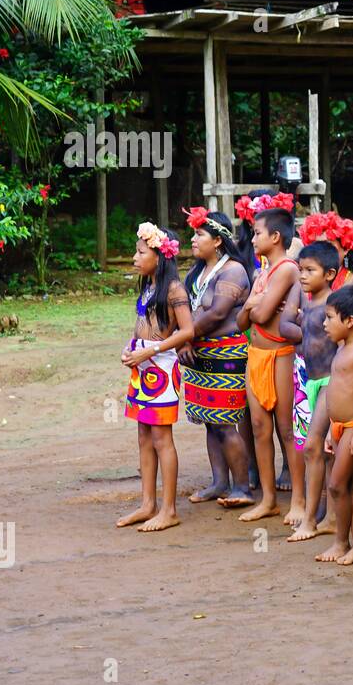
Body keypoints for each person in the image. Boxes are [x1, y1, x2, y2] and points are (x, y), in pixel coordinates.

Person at [119, 223, 194, 532]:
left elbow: (188, 331)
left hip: (160, 368)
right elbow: (143, 325)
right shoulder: (148, 285)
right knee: (144, 436)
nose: (135, 257)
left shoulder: (174, 288)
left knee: (162, 438)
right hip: (142, 367)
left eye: (141, 252)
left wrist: (150, 351)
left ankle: (169, 509)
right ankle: (148, 503)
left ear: (160, 256)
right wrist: (131, 346)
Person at [179, 208, 253, 509]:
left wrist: (184, 337)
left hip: (227, 354)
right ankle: (219, 482)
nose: (193, 240)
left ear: (218, 240)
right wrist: (184, 339)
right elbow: (183, 310)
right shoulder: (196, 272)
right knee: (210, 422)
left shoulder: (233, 270)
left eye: (199, 235)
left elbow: (219, 312)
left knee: (224, 423)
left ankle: (242, 487)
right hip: (198, 354)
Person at [236, 206, 303, 523]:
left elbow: (259, 316)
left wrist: (254, 306)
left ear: (275, 237)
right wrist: (253, 304)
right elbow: (241, 322)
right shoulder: (261, 272)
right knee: (260, 427)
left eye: (257, 232)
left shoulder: (288, 269)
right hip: (256, 354)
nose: (252, 238)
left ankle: (300, 501)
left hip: (280, 355)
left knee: (286, 429)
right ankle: (268, 499)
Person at [314, 285, 353, 566]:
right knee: (352, 485)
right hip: (340, 426)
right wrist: (331, 429)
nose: (324, 323)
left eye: (329, 317)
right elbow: (337, 391)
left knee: (337, 485)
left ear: (349, 321)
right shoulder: (342, 348)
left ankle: (341, 542)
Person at [287, 240, 347, 542]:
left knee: (317, 447)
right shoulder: (307, 302)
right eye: (301, 270)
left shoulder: (334, 304)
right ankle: (326, 516)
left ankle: (313, 518)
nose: (303, 276)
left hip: (330, 382)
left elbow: (346, 343)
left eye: (310, 270)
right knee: (314, 450)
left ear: (330, 273)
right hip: (307, 381)